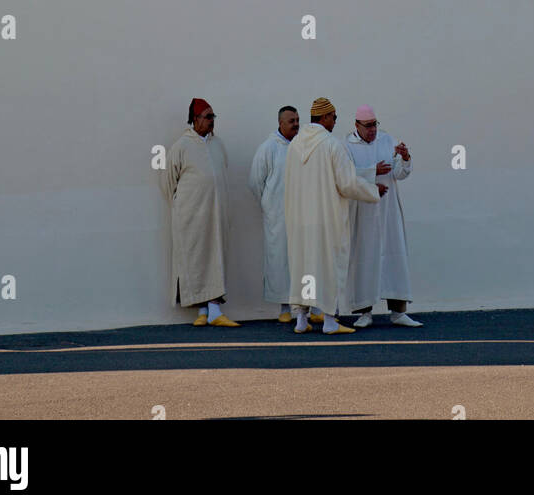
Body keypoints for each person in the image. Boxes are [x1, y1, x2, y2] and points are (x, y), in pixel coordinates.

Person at [284, 96, 382, 335]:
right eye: (334, 117)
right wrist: (373, 190)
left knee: (304, 267)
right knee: (329, 267)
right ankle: (329, 321)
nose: (336, 122)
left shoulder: (295, 145)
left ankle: (301, 320)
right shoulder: (331, 144)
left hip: (299, 220)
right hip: (327, 219)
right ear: (325, 117)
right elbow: (347, 184)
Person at [162, 98, 240, 327]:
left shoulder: (218, 145)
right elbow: (167, 182)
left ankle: (214, 310)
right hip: (191, 217)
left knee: (215, 256)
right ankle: (203, 311)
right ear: (195, 119)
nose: (212, 121)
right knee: (196, 260)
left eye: (213, 117)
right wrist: (182, 206)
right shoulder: (181, 147)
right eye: (208, 117)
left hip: (216, 214)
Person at [345, 105, 421, 327]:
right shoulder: (346, 146)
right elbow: (345, 175)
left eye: (375, 125)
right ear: (357, 125)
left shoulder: (387, 140)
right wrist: (371, 171)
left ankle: (398, 312)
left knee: (394, 256)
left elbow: (399, 173)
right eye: (368, 126)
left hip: (388, 211)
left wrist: (405, 158)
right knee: (364, 258)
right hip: (364, 211)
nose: (373, 130)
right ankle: (364, 312)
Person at [249, 106, 300, 321]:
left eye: (298, 120)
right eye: (291, 121)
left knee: (301, 259)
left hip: (301, 215)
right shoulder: (268, 148)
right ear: (280, 123)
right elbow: (255, 182)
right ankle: (285, 309)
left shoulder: (302, 146)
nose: (296, 124)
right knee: (280, 260)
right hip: (277, 217)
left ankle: (307, 307)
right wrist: (269, 206)